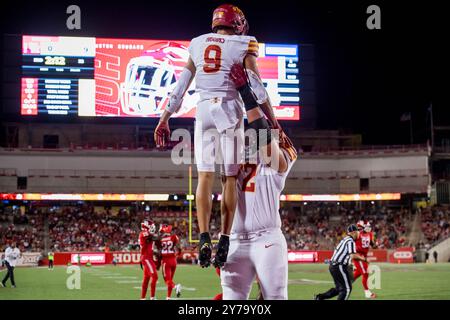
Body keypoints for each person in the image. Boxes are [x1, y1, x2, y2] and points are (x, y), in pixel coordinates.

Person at [154, 4, 278, 268]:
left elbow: (181, 85)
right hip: (229, 108)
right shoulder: (244, 43)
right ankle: (224, 237)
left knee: (204, 177)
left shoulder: (197, 43)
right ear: (237, 23)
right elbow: (256, 87)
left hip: (202, 112)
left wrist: (164, 118)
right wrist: (273, 119)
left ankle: (203, 237)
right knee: (229, 177)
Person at [220, 66, 297, 299]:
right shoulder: (235, 156)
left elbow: (264, 141)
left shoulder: (279, 161)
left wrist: (246, 91)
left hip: (267, 239)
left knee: (274, 298)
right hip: (234, 239)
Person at [314, 225, 368, 300]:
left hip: (334, 266)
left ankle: (319, 297)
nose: (359, 234)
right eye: (358, 232)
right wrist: (363, 259)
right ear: (354, 232)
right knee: (347, 289)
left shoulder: (345, 239)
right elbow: (353, 256)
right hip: (339, 266)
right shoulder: (350, 241)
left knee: (339, 288)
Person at [353, 221, 377, 298]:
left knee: (358, 273)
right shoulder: (357, 234)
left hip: (364, 256)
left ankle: (346, 282)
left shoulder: (370, 234)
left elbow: (373, 245)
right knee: (365, 273)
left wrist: (375, 244)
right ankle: (367, 292)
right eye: (367, 227)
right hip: (358, 256)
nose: (369, 228)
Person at [158, 224, 182, 299]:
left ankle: (176, 287)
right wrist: (177, 255)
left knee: (167, 280)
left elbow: (158, 252)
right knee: (170, 281)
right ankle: (168, 297)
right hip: (173, 260)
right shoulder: (173, 237)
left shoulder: (160, 239)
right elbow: (179, 248)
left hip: (166, 261)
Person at [139, 220, 159, 300]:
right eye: (151, 226)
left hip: (148, 257)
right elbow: (155, 237)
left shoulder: (146, 234)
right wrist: (163, 232)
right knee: (155, 277)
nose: (153, 227)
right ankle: (152, 297)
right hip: (147, 258)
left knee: (146, 278)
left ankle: (143, 298)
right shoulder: (144, 233)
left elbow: (151, 241)